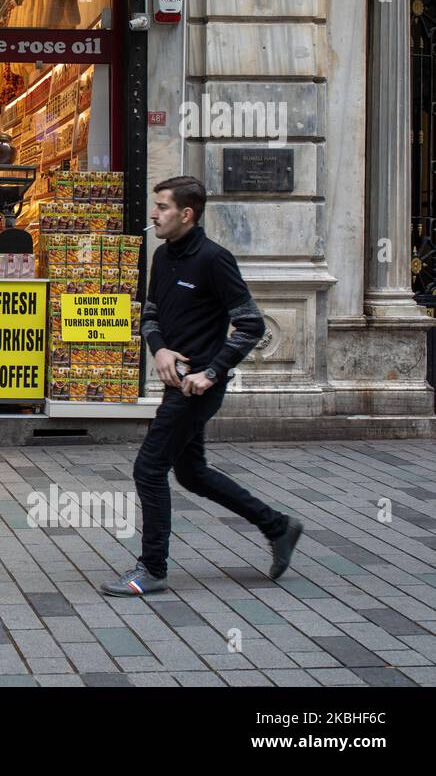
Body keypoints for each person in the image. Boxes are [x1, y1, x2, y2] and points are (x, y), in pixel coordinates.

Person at [101, 176, 303, 596]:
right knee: (192, 474)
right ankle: (278, 526)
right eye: (155, 206)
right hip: (176, 381)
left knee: (149, 468)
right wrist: (158, 350)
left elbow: (250, 325)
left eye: (162, 207)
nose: (153, 214)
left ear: (186, 214)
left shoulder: (215, 259)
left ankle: (152, 569)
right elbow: (150, 313)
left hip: (197, 389)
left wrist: (210, 373)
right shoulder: (162, 256)